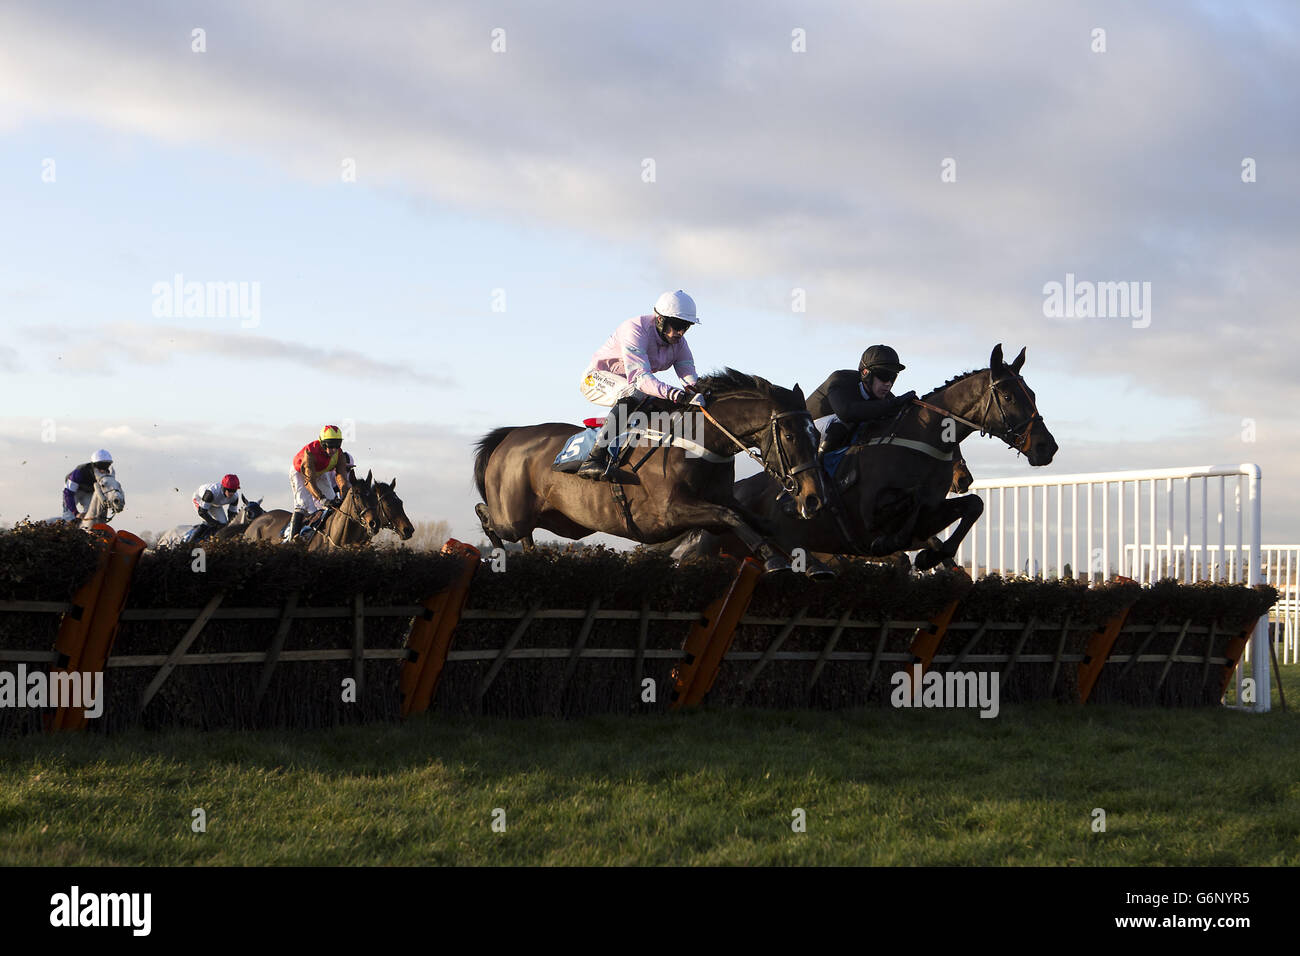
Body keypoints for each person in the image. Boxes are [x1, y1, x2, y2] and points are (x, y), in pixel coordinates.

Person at [575, 290, 708, 480]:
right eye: (678, 325)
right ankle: (593, 459)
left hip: (634, 385)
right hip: (596, 379)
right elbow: (639, 378)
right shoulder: (635, 328)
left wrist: (701, 394)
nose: (680, 332)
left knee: (667, 405)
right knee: (635, 392)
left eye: (686, 327)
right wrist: (675, 394)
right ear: (660, 319)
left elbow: (690, 379)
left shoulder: (680, 344)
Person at [806, 345, 917, 457]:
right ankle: (819, 467)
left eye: (893, 377)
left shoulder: (888, 399)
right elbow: (846, 413)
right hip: (805, 432)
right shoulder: (840, 379)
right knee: (842, 422)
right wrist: (894, 404)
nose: (888, 383)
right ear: (865, 373)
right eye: (884, 376)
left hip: (832, 433)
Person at [287, 426, 345, 541]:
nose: (334, 449)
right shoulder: (310, 452)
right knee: (303, 504)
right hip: (301, 472)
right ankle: (292, 539)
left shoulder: (339, 454)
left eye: (337, 445)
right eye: (330, 445)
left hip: (319, 472)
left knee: (333, 501)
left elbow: (341, 477)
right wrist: (321, 498)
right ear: (323, 443)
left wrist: (344, 494)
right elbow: (309, 481)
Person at [61, 449, 115, 521]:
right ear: (94, 465)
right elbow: (68, 494)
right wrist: (76, 513)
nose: (103, 469)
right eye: (101, 465)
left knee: (91, 516)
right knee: (69, 515)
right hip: (74, 492)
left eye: (106, 465)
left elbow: (106, 494)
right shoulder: (79, 472)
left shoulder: (107, 475)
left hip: (89, 492)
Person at [190, 474, 241, 542]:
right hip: (200, 499)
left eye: (234, 490)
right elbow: (202, 512)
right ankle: (190, 542)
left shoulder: (235, 497)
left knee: (223, 523)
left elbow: (232, 514)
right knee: (207, 522)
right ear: (224, 488)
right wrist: (214, 523)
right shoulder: (211, 493)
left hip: (214, 504)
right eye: (229, 490)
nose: (232, 493)